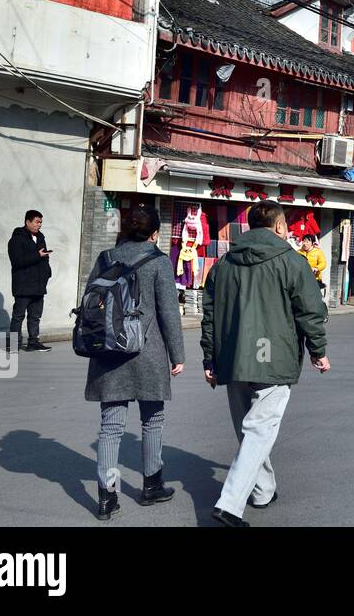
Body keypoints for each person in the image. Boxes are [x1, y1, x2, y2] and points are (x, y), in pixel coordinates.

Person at [202, 200, 330, 527]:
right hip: (272, 358)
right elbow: (310, 311)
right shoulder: (292, 262)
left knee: (252, 430)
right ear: (278, 227)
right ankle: (230, 504)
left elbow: (210, 316)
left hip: (233, 358)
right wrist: (318, 350)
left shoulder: (223, 264)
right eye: (286, 224)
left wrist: (210, 358)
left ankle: (262, 491)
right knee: (259, 430)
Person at [84, 206, 185, 521]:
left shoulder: (105, 258)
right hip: (147, 352)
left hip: (108, 350)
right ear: (155, 232)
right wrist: (177, 355)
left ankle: (106, 497)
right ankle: (151, 486)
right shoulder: (157, 261)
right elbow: (169, 312)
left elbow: (91, 302)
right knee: (152, 421)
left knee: (111, 427)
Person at [7, 209, 53, 353]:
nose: (39, 225)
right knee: (18, 316)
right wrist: (37, 255)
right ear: (28, 222)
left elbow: (44, 257)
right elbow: (17, 261)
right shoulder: (16, 239)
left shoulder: (40, 238)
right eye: (37, 222)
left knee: (35, 316)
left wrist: (47, 273)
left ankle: (33, 342)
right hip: (23, 285)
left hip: (39, 285)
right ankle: (14, 345)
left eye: (41, 222)